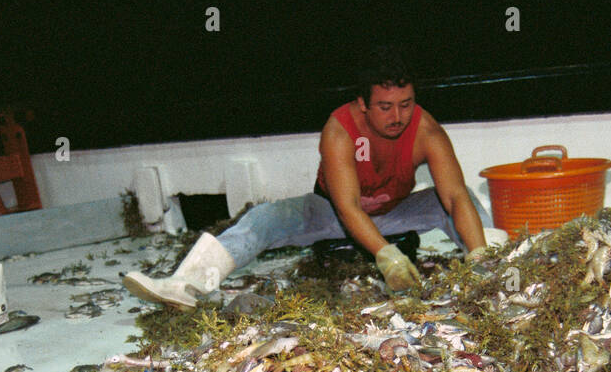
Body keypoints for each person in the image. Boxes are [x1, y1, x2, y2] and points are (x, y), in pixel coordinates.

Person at [123, 46, 507, 308]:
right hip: (332, 213)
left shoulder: (425, 129)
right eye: (386, 107)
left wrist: (478, 258)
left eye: (406, 104)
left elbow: (454, 196)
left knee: (466, 201)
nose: (398, 117)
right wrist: (386, 256)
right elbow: (347, 206)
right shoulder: (338, 130)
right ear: (362, 103)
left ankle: (494, 270)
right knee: (264, 218)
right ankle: (185, 283)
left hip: (397, 209)